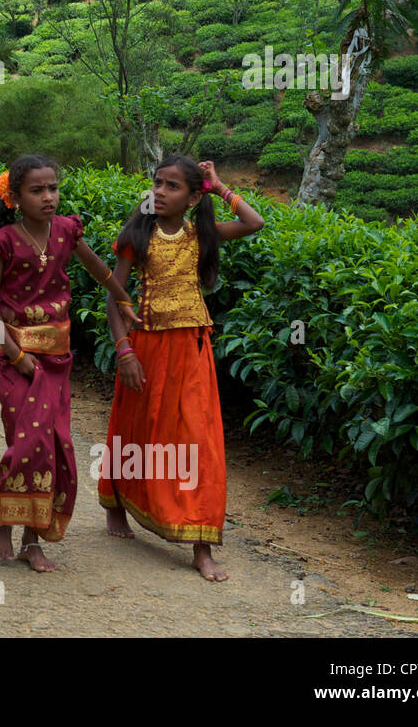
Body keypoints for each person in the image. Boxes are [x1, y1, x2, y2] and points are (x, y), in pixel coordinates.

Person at [99, 156, 264, 582]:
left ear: (193, 198)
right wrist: (124, 353)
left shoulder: (201, 235)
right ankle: (117, 503)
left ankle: (201, 544)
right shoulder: (135, 235)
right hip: (145, 346)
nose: (160, 192)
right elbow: (114, 300)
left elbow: (253, 222)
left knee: (197, 436)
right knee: (135, 425)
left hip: (191, 347)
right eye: (157, 183)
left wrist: (219, 186)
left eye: (173, 186)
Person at [0, 155, 140, 572]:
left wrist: (123, 299)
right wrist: (16, 355)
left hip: (57, 355)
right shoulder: (3, 241)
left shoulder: (67, 230)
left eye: (53, 188)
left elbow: (100, 271)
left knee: (55, 447)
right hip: (12, 355)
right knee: (28, 442)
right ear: (14, 197)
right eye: (37, 190)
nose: (49, 197)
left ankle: (32, 542)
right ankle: (2, 517)